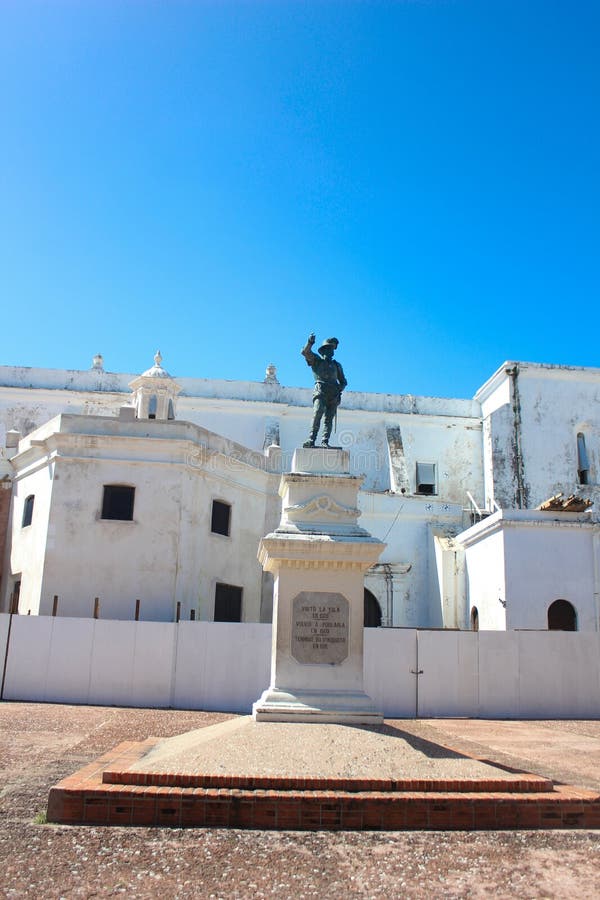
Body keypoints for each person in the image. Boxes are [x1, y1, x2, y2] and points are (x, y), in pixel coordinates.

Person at [301, 333, 347, 447]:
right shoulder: (316, 361)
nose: (332, 352)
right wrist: (310, 343)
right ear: (324, 350)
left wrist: (339, 389)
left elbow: (343, 381)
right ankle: (311, 440)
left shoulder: (337, 366)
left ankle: (325, 441)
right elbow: (305, 352)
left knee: (329, 419)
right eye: (330, 349)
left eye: (333, 349)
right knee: (317, 413)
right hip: (320, 392)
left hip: (333, 395)